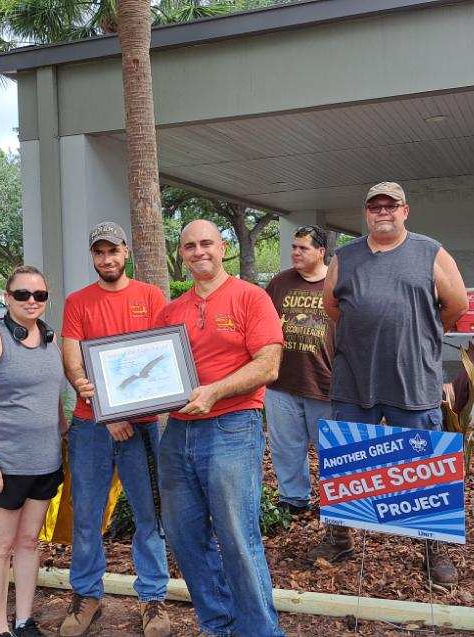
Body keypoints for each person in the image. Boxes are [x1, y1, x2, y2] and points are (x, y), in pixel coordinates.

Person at [320, 182, 468, 579]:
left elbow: (457, 305)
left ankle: (434, 548)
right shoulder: (344, 256)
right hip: (355, 377)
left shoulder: (429, 251)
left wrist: (417, 333)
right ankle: (339, 537)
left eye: (390, 205)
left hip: (413, 377)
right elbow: (333, 306)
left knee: (425, 460)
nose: (382, 212)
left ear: (405, 210)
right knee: (345, 459)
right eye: (374, 206)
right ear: (366, 213)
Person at [154, 219, 285, 637]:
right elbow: (154, 371)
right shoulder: (171, 311)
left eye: (206, 243)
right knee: (185, 536)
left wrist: (214, 392)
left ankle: (260, 632)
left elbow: (269, 364)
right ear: (181, 254)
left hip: (232, 427)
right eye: (189, 246)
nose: (199, 252)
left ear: (223, 247)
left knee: (237, 538)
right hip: (177, 433)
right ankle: (219, 626)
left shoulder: (252, 298)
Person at [60, 222, 172, 637]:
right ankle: (87, 595)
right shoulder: (78, 302)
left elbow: (162, 356)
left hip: (142, 427)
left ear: (126, 252)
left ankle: (153, 599)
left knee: (149, 515)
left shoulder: (151, 297)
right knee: (87, 515)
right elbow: (74, 363)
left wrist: (131, 411)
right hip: (91, 426)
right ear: (93, 256)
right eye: (99, 252)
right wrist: (109, 413)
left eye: (113, 251)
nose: (106, 259)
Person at [0, 265, 67, 637]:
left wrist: (62, 430)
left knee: (28, 543)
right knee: (0, 546)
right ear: (8, 298)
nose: (31, 301)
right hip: (1, 465)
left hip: (44, 462)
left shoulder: (52, 340)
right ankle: (0, 629)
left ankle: (23, 620)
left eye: (39, 295)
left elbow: (51, 395)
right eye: (22, 294)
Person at [264, 224, 334, 514]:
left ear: (321, 251)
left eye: (303, 248)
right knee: (286, 448)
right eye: (294, 247)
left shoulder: (338, 282)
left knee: (331, 449)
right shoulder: (279, 283)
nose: (295, 252)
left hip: (326, 383)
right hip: (282, 382)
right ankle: (293, 499)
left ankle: (337, 501)